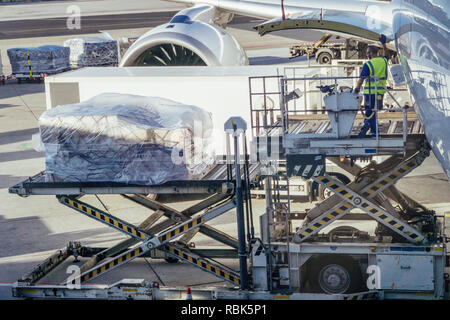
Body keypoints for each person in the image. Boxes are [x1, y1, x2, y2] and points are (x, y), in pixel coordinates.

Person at [354, 34, 389, 138]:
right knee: (374, 111)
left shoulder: (368, 65)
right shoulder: (383, 61)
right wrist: (384, 43)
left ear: (370, 53)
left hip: (370, 93)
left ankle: (374, 131)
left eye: (367, 53)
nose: (367, 55)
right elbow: (387, 54)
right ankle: (367, 124)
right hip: (380, 93)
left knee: (370, 111)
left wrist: (356, 89)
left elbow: (361, 79)